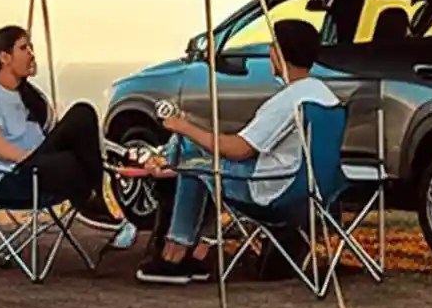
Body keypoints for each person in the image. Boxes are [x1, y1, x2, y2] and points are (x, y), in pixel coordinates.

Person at [135, 19, 338, 285]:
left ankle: (175, 253)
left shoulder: (287, 101)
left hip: (270, 192)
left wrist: (183, 126)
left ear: (278, 52)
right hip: (308, 190)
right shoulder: (323, 95)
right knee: (194, 155)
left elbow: (239, 150)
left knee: (195, 163)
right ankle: (197, 250)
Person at [0, 25, 136, 248]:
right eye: (24, 48)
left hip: (43, 167)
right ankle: (95, 207)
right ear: (4, 57)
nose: (32, 54)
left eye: (31, 47)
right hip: (14, 176)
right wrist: (33, 160)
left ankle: (97, 203)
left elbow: (58, 134)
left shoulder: (31, 96)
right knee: (69, 153)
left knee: (83, 114)